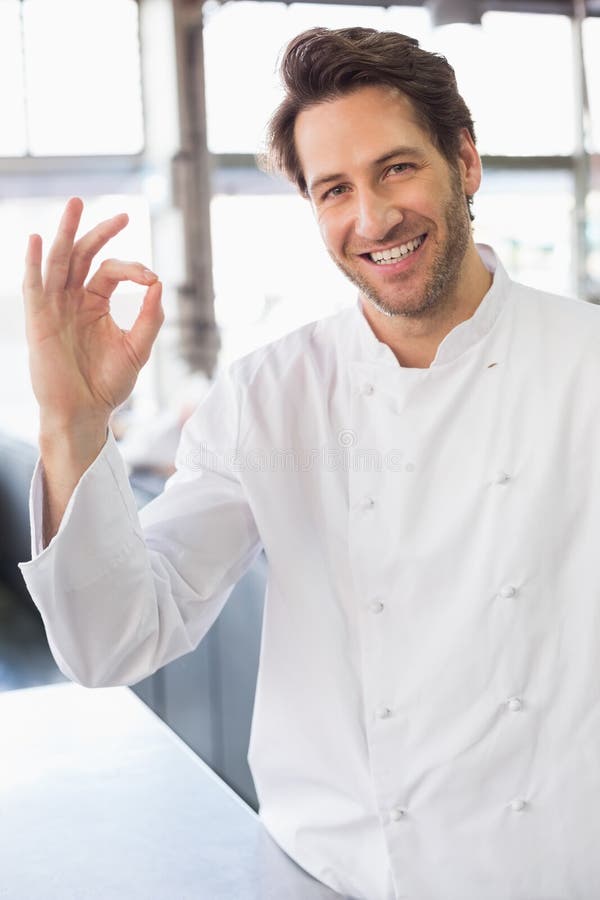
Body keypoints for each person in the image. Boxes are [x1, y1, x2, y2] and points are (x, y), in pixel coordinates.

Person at [19, 26, 600, 900]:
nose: (373, 218)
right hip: (333, 875)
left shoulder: (587, 363)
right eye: (335, 189)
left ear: (466, 162)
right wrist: (73, 420)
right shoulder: (268, 396)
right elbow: (115, 640)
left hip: (561, 868)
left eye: (397, 168)